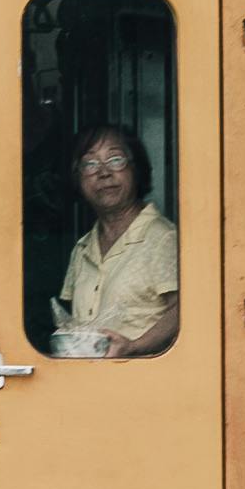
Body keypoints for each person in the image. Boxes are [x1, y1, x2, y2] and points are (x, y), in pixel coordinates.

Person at [54, 125, 179, 356]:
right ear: (78, 178)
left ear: (136, 169)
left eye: (115, 160)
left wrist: (135, 345)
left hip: (145, 379)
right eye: (90, 164)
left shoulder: (162, 238)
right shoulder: (82, 248)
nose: (103, 173)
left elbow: (183, 309)